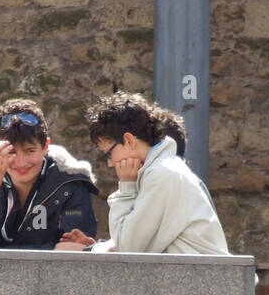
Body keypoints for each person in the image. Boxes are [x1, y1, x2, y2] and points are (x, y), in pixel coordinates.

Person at [82, 91, 229, 255]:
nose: (110, 163)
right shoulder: (162, 169)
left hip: (203, 276)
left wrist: (127, 188)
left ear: (129, 140)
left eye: (108, 154)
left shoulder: (162, 174)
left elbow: (128, 251)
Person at [0, 99, 99, 250]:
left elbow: (74, 254)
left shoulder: (72, 186)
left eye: (30, 151)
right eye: (12, 152)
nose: (21, 163)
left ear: (45, 147)